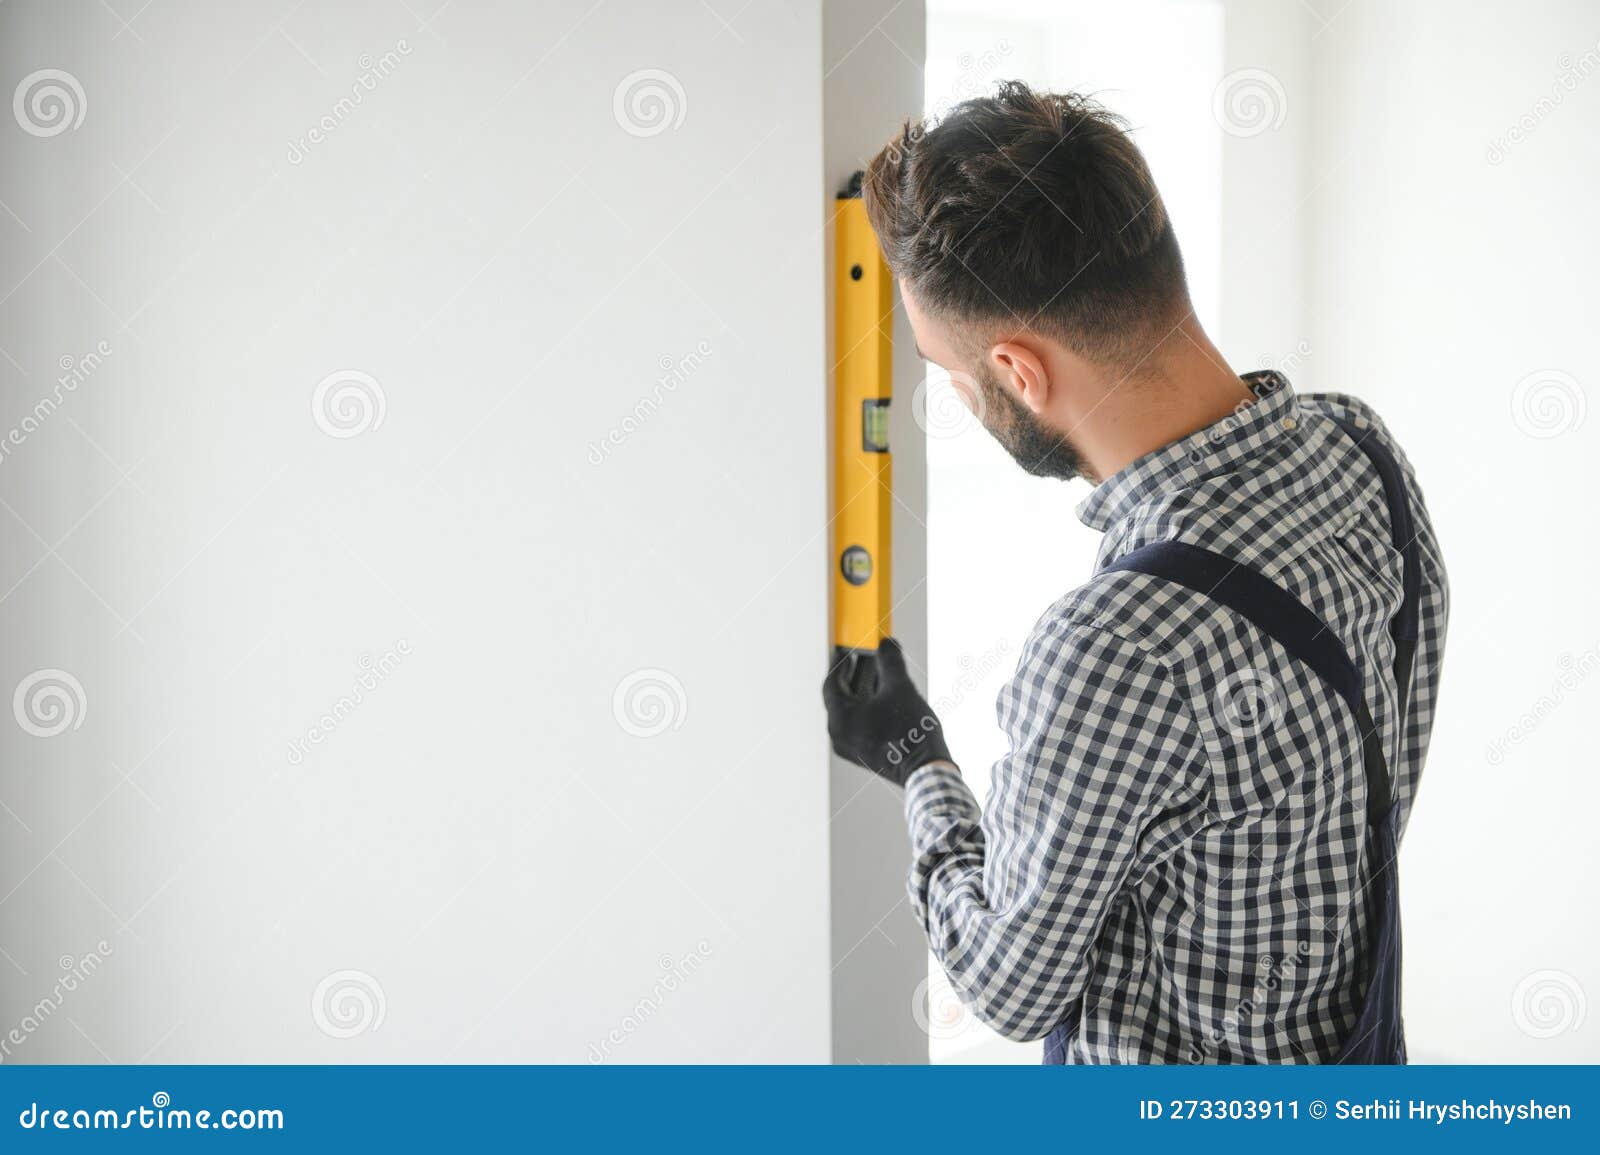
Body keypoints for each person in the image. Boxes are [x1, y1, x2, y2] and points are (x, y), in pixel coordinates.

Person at [823, 82, 1448, 1064]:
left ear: (1018, 371)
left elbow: (1010, 986)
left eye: (950, 372)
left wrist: (922, 767)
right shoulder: (1359, 450)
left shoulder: (1115, 646)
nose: (956, 396)